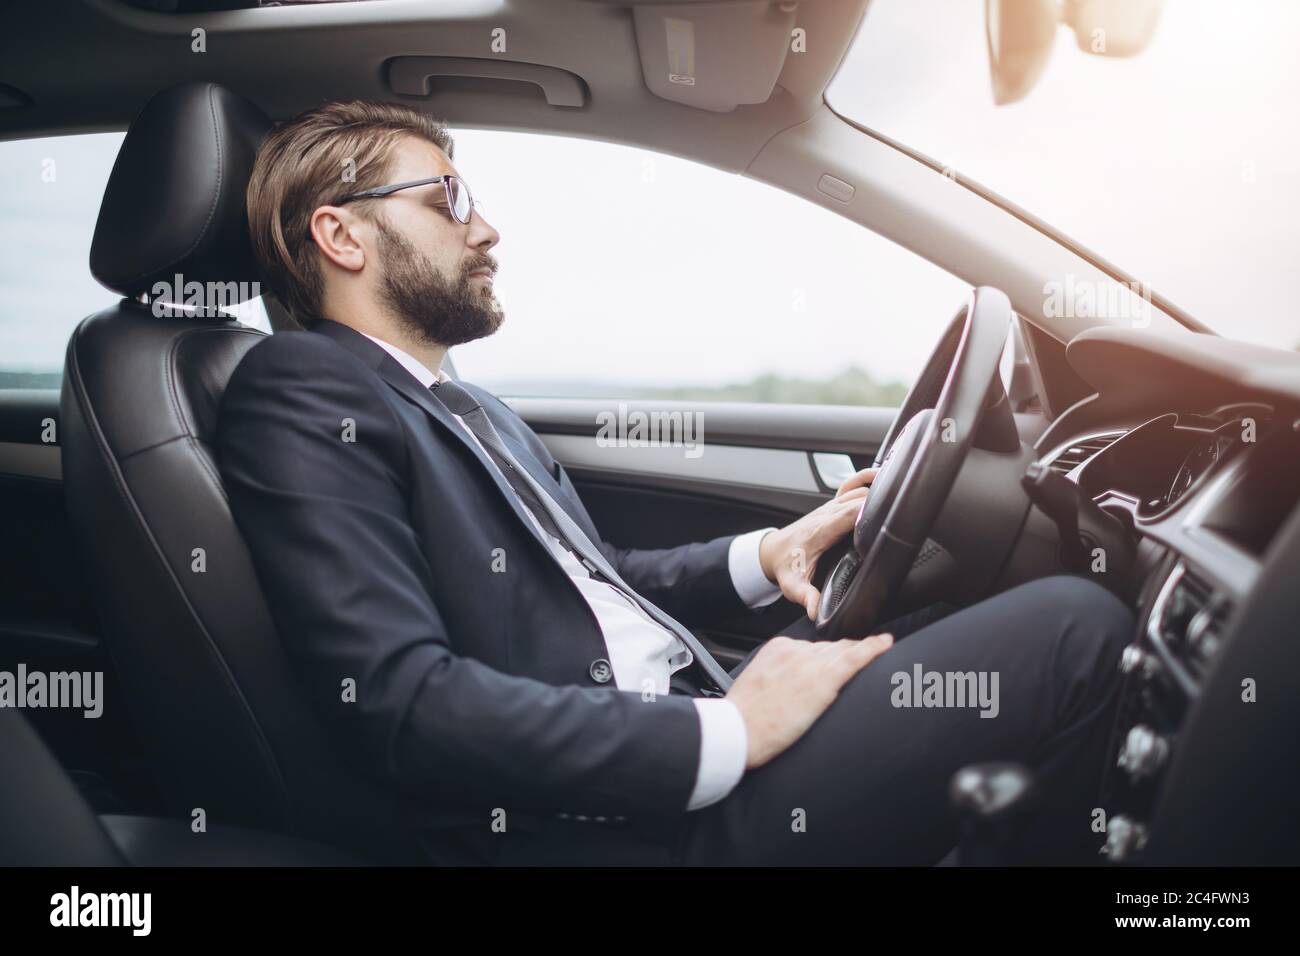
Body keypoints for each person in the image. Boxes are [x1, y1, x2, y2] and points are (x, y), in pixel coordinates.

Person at [216, 100, 1132, 865]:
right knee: (1074, 630)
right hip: (611, 825)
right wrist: (732, 731)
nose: (486, 227)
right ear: (340, 234)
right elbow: (399, 703)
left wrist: (767, 551)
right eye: (448, 197)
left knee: (943, 625)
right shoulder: (302, 386)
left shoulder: (470, 406)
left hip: (677, 736)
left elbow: (595, 582)